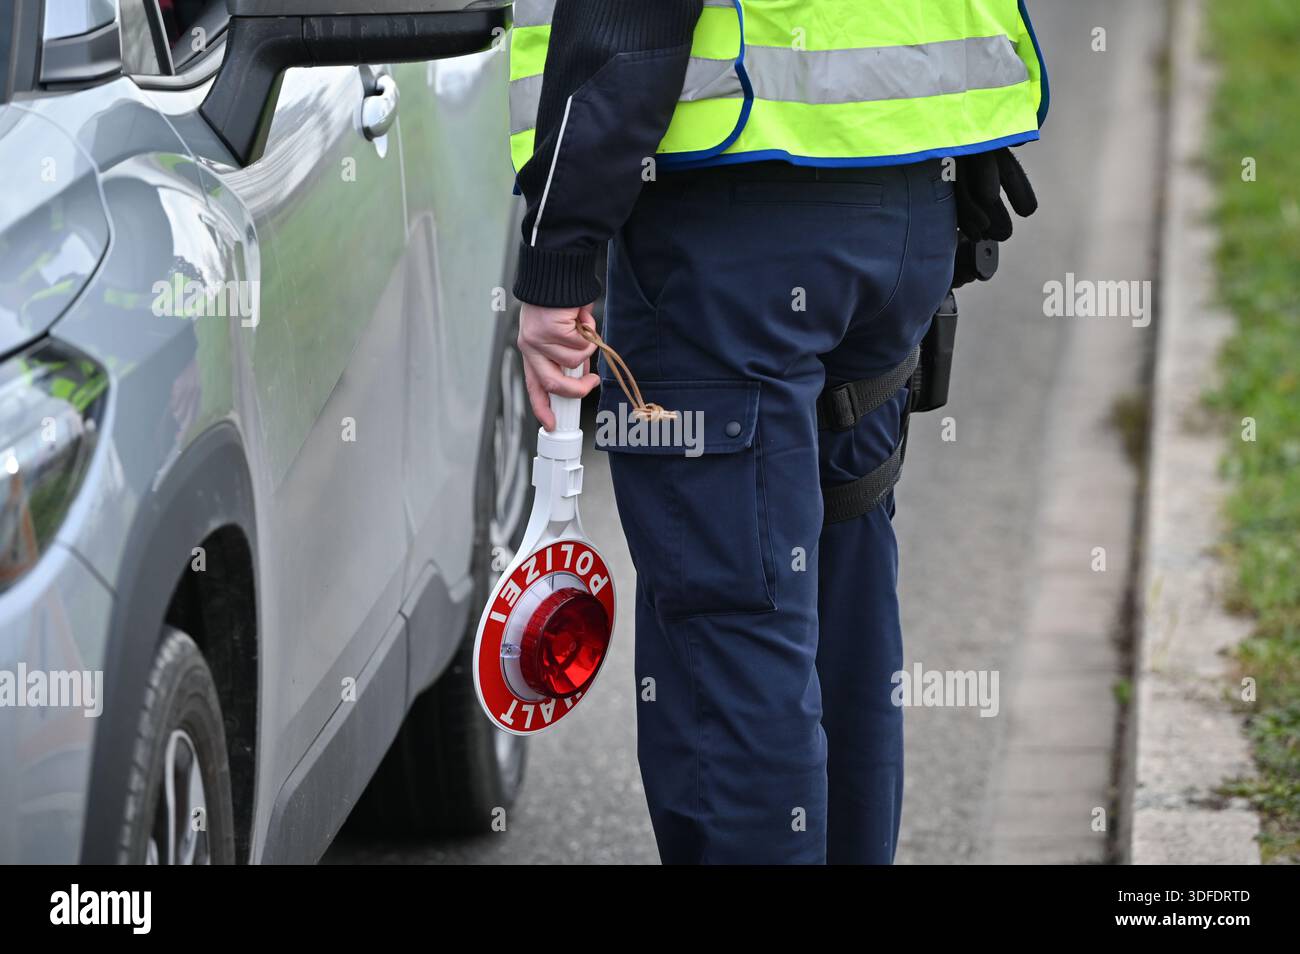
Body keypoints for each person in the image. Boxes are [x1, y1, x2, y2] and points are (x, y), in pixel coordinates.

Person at [508, 0, 1046, 864]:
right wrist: (969, 146)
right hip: (908, 192)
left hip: (734, 226)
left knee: (733, 631)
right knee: (844, 593)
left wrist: (559, 247)